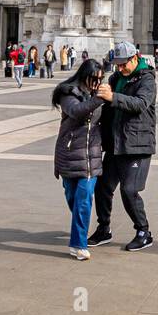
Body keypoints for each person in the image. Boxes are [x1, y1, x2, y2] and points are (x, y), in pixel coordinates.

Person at [89, 41, 157, 253]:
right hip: (115, 144)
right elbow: (108, 109)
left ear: (135, 58)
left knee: (129, 190)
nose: (120, 68)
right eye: (116, 65)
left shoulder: (146, 79)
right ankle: (104, 228)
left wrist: (113, 97)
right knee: (102, 187)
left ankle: (144, 232)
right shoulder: (116, 78)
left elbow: (139, 104)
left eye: (123, 64)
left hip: (138, 145)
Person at [53, 59, 107, 260]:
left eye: (100, 79)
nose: (97, 83)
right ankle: (80, 228)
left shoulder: (96, 94)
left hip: (91, 155)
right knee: (73, 197)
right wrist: (100, 98)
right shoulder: (68, 93)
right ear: (84, 76)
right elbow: (76, 111)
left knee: (84, 199)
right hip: (69, 153)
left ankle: (78, 244)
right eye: (94, 79)